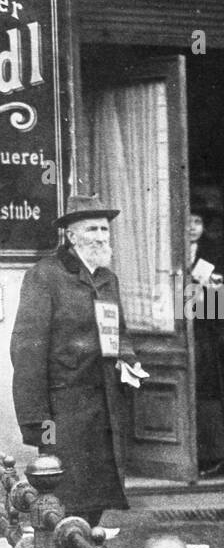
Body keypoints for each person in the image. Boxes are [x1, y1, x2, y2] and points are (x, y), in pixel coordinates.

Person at [10, 194, 144, 525]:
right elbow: (27, 351)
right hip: (63, 413)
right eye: (92, 229)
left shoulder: (106, 278)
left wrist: (128, 360)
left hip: (105, 411)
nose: (101, 236)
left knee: (97, 497)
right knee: (64, 495)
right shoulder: (45, 276)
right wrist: (41, 429)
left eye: (105, 229)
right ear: (71, 236)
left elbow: (119, 331)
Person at [187, 207, 224, 477]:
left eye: (197, 221)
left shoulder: (212, 254)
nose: (193, 226)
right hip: (179, 328)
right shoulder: (173, 253)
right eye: (189, 221)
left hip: (204, 331)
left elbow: (220, 296)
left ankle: (212, 454)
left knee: (207, 390)